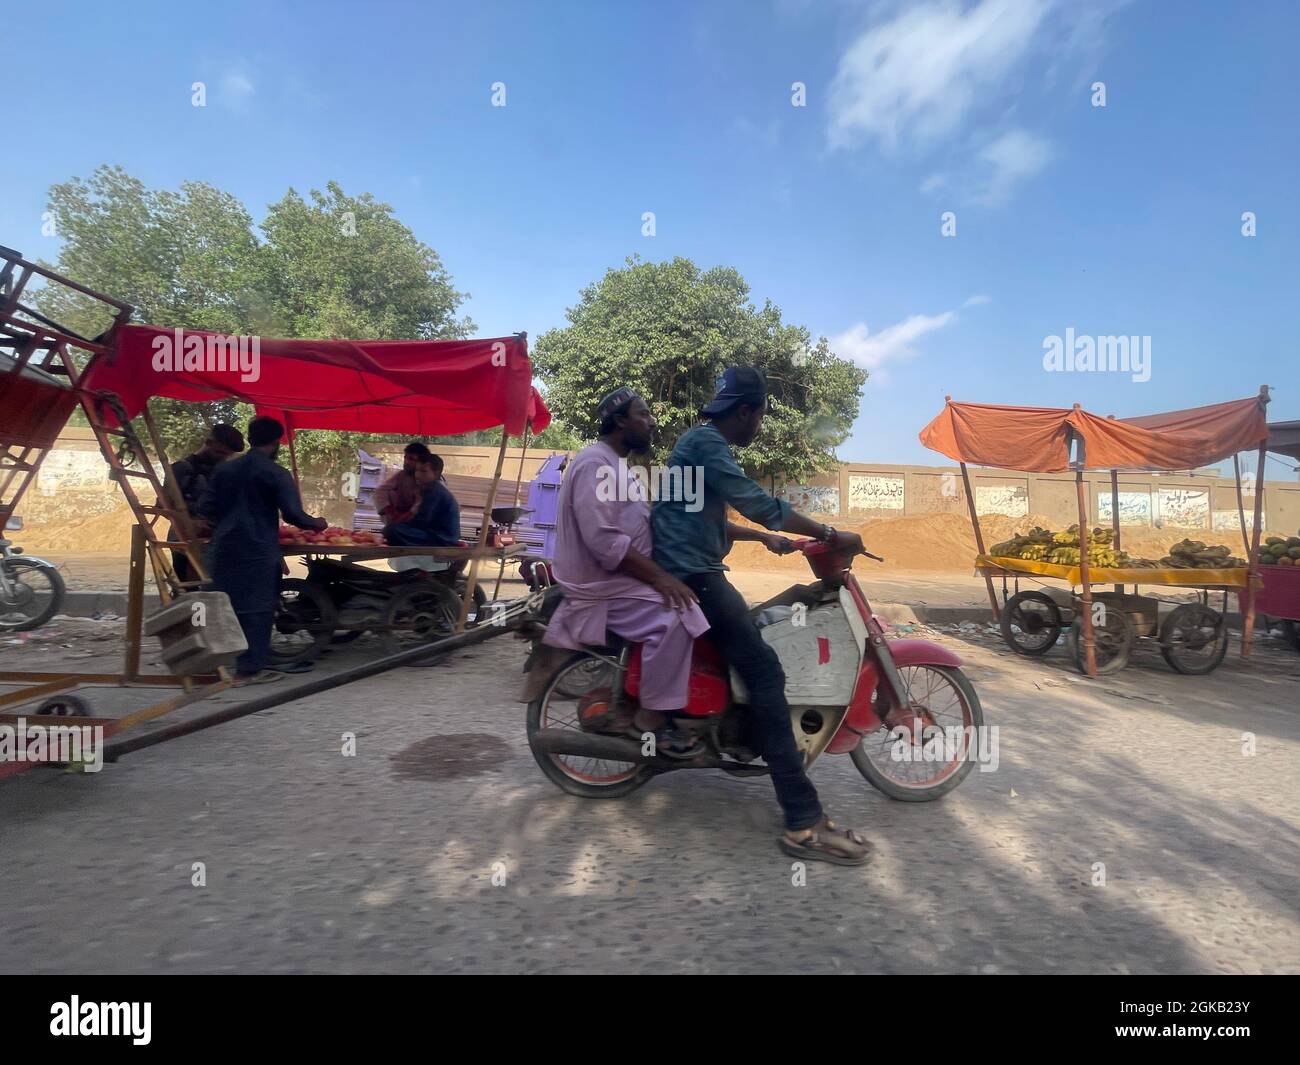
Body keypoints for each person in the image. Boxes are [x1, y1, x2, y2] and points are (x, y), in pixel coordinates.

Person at [652, 367, 871, 866]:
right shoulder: (709, 445)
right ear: (748, 411)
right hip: (695, 577)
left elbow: (705, 517)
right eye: (760, 416)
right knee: (767, 674)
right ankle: (802, 822)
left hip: (690, 567)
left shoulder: (697, 442)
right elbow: (759, 504)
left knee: (764, 623)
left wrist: (764, 539)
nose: (759, 427)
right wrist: (829, 533)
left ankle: (736, 730)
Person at [543, 388, 708, 727]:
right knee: (678, 614)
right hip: (602, 585)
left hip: (619, 581)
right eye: (643, 415)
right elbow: (605, 542)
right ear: (620, 421)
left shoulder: (617, 467)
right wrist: (661, 578)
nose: (651, 422)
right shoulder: (593, 463)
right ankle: (652, 718)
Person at [197, 416, 327, 685]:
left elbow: (206, 508)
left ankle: (211, 666)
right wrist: (317, 523)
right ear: (277, 442)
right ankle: (249, 669)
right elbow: (294, 515)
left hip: (223, 548)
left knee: (222, 605)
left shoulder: (224, 470)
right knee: (257, 608)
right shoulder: (275, 473)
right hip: (257, 548)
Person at [166, 423, 245, 585]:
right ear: (208, 443)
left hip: (216, 542)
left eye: (227, 455)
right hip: (185, 542)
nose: (223, 458)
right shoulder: (181, 469)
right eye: (220, 452)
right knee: (193, 594)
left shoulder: (223, 472)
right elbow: (163, 506)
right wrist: (191, 523)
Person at [382, 453, 461, 547]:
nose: (418, 475)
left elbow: (422, 521)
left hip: (442, 538)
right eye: (417, 471)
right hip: (435, 535)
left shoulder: (435, 489)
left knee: (391, 530)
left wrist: (402, 524)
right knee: (392, 529)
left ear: (436, 473)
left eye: (423, 471)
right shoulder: (429, 488)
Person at [373, 441, 430, 525]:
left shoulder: (430, 481)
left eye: (411, 459)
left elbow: (419, 506)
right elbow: (380, 491)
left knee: (391, 532)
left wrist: (402, 519)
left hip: (424, 525)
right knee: (389, 493)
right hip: (402, 520)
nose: (406, 462)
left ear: (422, 462)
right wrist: (392, 512)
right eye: (405, 457)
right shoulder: (402, 475)